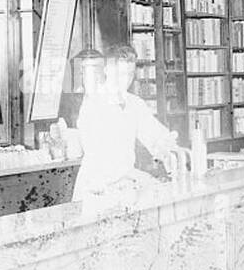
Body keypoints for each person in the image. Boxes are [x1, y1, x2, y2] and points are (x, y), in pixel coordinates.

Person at [73, 43, 180, 200]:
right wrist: (138, 176)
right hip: (97, 187)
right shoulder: (93, 104)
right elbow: (101, 158)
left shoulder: (135, 103)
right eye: (121, 74)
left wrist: (166, 147)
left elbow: (153, 134)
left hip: (124, 185)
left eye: (130, 74)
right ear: (107, 70)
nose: (126, 80)